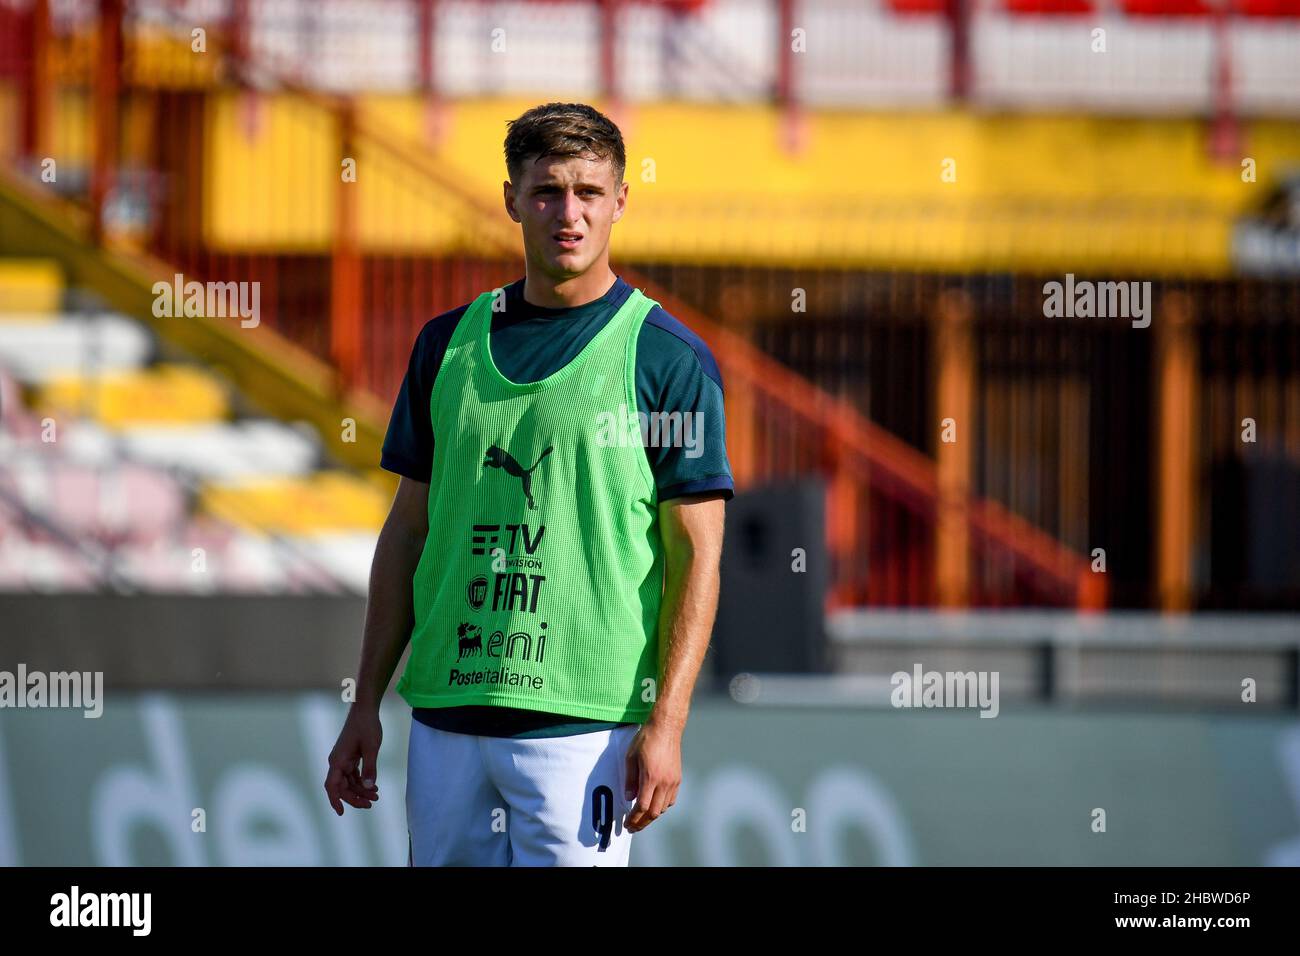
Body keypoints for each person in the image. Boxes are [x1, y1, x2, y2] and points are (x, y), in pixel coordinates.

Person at [324, 101, 732, 866]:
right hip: (447, 714)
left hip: (582, 730)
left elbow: (697, 556)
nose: (567, 214)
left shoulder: (665, 359)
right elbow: (409, 531)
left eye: (587, 192)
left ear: (620, 202)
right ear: (511, 198)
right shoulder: (445, 345)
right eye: (546, 191)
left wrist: (667, 723)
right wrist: (365, 703)